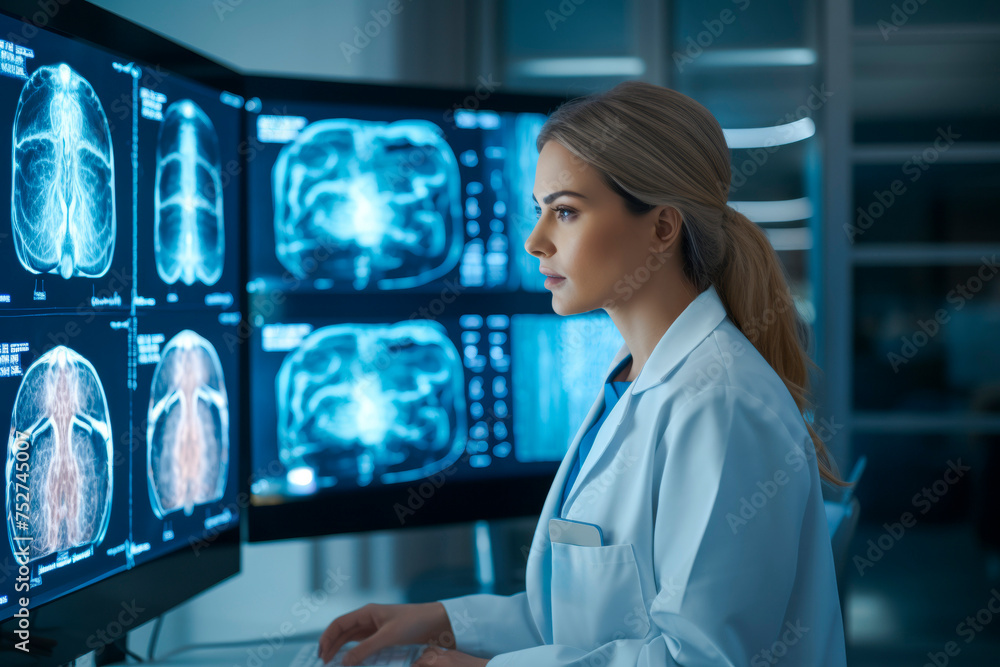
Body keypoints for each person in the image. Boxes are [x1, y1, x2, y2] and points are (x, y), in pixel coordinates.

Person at [318, 80, 851, 666]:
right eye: (539, 211)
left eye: (566, 212)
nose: (535, 241)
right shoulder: (632, 382)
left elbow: (699, 660)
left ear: (662, 228)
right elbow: (576, 623)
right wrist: (443, 621)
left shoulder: (719, 404)